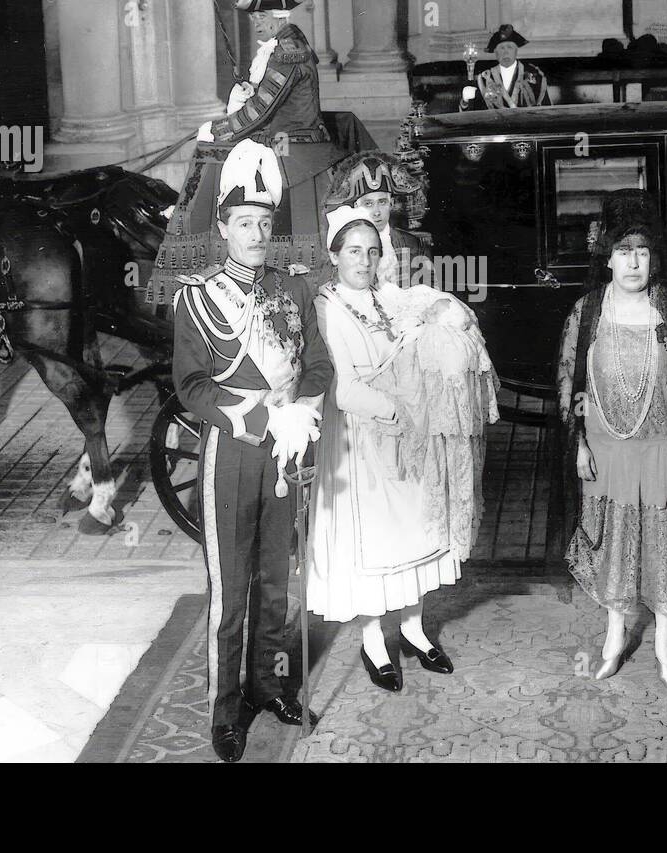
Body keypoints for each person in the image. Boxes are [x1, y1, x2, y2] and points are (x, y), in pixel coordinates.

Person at [171, 139, 333, 763]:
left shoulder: (293, 292)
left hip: (286, 449)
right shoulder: (197, 297)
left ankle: (269, 685)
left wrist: (303, 408)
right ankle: (225, 709)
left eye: (266, 223)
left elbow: (315, 363)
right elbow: (191, 386)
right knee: (231, 586)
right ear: (223, 228)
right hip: (234, 453)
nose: (257, 234)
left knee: (275, 581)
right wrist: (260, 412)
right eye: (245, 223)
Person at [306, 206, 497, 693]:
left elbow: (433, 313)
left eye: (373, 251)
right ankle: (374, 641)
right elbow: (343, 388)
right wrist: (400, 408)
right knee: (376, 542)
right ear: (334, 256)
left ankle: (413, 630)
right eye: (354, 252)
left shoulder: (388, 297)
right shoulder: (326, 308)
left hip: (408, 434)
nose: (365, 261)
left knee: (416, 531)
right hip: (361, 438)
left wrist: (444, 318)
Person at [557, 189, 667, 686]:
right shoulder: (586, 313)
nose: (633, 262)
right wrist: (579, 441)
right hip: (608, 452)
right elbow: (568, 382)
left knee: (665, 545)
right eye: (624, 251)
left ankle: (666, 634)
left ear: (654, 259)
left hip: (664, 450)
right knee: (615, 544)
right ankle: (615, 632)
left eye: (642, 252)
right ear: (607, 257)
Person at [148, 0, 336, 308]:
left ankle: (199, 245)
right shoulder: (283, 46)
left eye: (258, 18)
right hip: (285, 138)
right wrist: (248, 93)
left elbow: (261, 113)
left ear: (273, 16)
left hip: (292, 147)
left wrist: (217, 128)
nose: (255, 23)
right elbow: (266, 101)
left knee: (216, 150)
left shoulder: (287, 52)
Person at [321, 153, 430, 288]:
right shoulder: (344, 247)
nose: (377, 211)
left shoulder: (413, 245)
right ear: (356, 206)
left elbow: (428, 295)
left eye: (382, 202)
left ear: (391, 203)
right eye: (368, 204)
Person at [460, 24, 551, 111]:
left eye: (510, 47)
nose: (506, 52)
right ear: (496, 52)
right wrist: (465, 100)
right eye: (502, 48)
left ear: (516, 50)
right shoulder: (484, 77)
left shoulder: (534, 74)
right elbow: (472, 117)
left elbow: (547, 113)